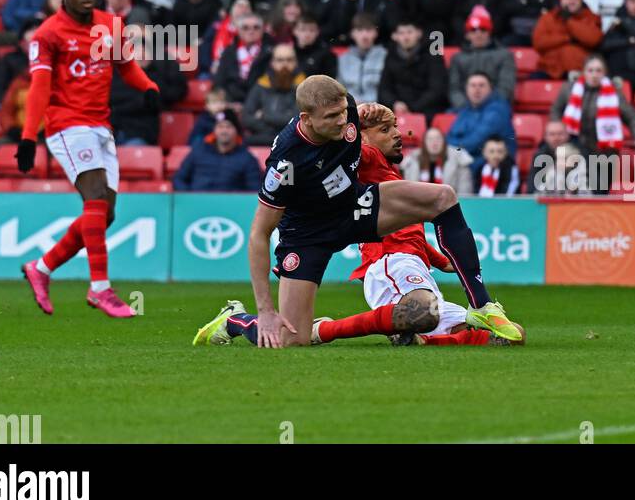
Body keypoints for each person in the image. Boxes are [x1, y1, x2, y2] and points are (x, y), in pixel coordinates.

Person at [193, 82, 523, 348]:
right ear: (307, 119)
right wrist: (265, 310)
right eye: (331, 117)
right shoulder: (286, 164)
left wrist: (371, 112)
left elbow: (363, 127)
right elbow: (258, 234)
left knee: (442, 197)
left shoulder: (348, 112)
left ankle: (482, 308)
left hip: (353, 207)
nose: (342, 121)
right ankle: (235, 320)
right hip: (308, 233)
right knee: (290, 339)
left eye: (343, 113)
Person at [16, 0, 161, 319]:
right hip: (66, 124)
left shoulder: (111, 24)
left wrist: (148, 87)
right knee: (95, 196)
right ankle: (100, 289)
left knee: (105, 212)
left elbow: (125, 66)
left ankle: (42, 267)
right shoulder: (48, 34)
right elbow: (39, 87)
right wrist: (27, 136)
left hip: (100, 125)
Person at [549, 54, 635, 154]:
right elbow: (556, 110)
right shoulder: (569, 89)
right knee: (548, 153)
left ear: (604, 73)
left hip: (602, 148)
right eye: (590, 70)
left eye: (598, 70)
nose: (594, 75)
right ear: (583, 72)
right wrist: (558, 132)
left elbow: (632, 118)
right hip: (574, 143)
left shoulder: (614, 93)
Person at [110, 39, 187, 146]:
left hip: (139, 133)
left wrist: (147, 71)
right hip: (113, 131)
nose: (141, 55)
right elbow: (112, 98)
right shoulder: (118, 75)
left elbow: (165, 96)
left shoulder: (155, 77)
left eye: (145, 51)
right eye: (136, 51)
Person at [173, 110, 263, 192]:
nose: (224, 131)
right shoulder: (199, 151)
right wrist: (189, 197)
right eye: (220, 126)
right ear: (214, 130)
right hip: (197, 206)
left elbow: (254, 190)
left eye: (228, 127)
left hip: (230, 207)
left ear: (236, 131)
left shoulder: (247, 159)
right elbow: (179, 179)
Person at [532, 0, 603, 80]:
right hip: (550, 69)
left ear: (581, 0)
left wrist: (569, 21)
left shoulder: (590, 17)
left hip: (579, 71)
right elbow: (539, 42)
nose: (571, 1)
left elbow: (593, 39)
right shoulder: (549, 17)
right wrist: (567, 38)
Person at [378, 20, 449, 117]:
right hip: (395, 111)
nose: (406, 37)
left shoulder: (433, 56)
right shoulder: (390, 57)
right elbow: (384, 88)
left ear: (419, 33)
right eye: (401, 33)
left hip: (426, 111)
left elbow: (437, 90)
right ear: (395, 36)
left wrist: (412, 107)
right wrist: (395, 103)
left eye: (409, 32)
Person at [449, 11, 517, 109]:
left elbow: (505, 87)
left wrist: (488, 107)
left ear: (489, 32)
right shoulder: (458, 58)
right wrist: (467, 107)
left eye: (483, 30)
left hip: (496, 108)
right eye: (473, 30)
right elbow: (454, 89)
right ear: (467, 35)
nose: (478, 34)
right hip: (464, 108)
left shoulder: (505, 55)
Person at [242, 44, 307, 146]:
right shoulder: (261, 84)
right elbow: (246, 117)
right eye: (280, 60)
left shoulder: (304, 87)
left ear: (296, 63)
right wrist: (271, 129)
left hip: (292, 139)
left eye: (289, 60)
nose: (285, 64)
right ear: (272, 63)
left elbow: (299, 119)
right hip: (263, 137)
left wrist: (265, 116)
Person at [447, 72, 516, 160]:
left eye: (481, 85)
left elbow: (474, 142)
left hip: (491, 164)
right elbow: (451, 134)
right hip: (467, 158)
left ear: (491, 89)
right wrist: (453, 147)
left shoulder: (497, 110)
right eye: (473, 85)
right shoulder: (466, 109)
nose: (477, 89)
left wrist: (453, 148)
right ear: (466, 89)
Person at [213, 12, 272, 103]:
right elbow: (220, 81)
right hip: (231, 103)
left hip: (261, 104)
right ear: (238, 30)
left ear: (262, 30)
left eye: (256, 27)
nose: (251, 31)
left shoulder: (270, 52)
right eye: (245, 28)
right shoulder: (228, 52)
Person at [401, 127, 475, 194]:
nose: (434, 142)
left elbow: (465, 193)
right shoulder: (412, 160)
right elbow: (408, 194)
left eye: (438, 138)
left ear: (444, 142)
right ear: (424, 143)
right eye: (430, 139)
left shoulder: (459, 160)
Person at [339, 13, 387, 103]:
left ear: (376, 33)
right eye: (359, 30)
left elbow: (387, 89)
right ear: (352, 33)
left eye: (368, 30)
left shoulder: (385, 56)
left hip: (379, 109)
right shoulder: (343, 59)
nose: (364, 35)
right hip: (349, 109)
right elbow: (339, 89)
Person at [292, 15, 338, 79]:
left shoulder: (327, 55)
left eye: (311, 30)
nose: (307, 34)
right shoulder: (287, 52)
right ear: (295, 31)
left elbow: (329, 82)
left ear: (317, 32)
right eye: (303, 29)